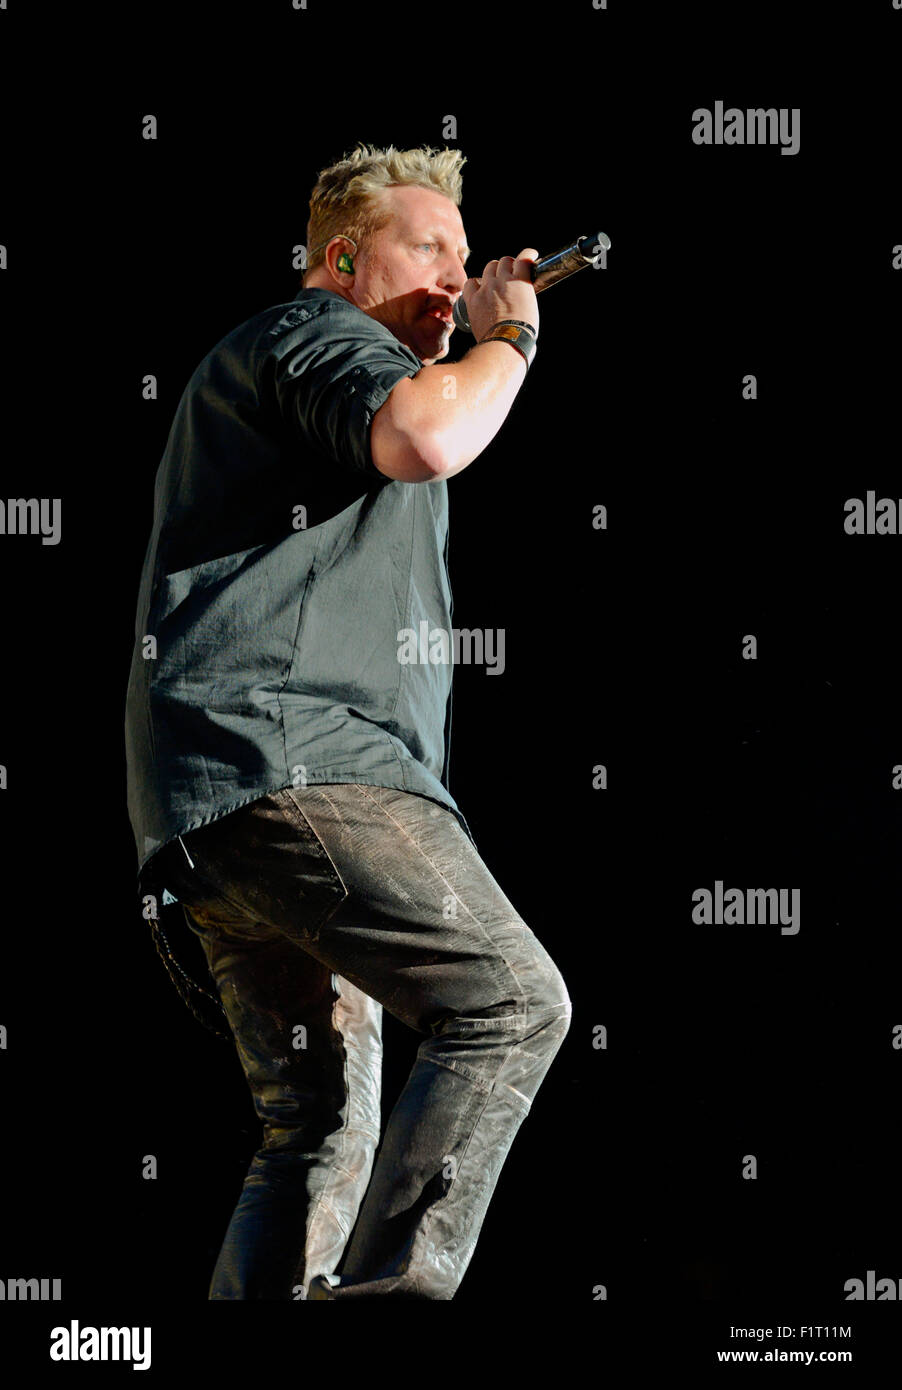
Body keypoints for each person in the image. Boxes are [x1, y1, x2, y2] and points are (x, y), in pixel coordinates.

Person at [124, 142, 572, 1300]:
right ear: (339, 259)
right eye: (428, 250)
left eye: (465, 258)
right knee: (510, 1001)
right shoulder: (321, 335)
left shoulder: (321, 372)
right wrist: (510, 336)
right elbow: (426, 436)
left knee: (316, 1124)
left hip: (225, 795)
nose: (453, 278)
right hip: (298, 761)